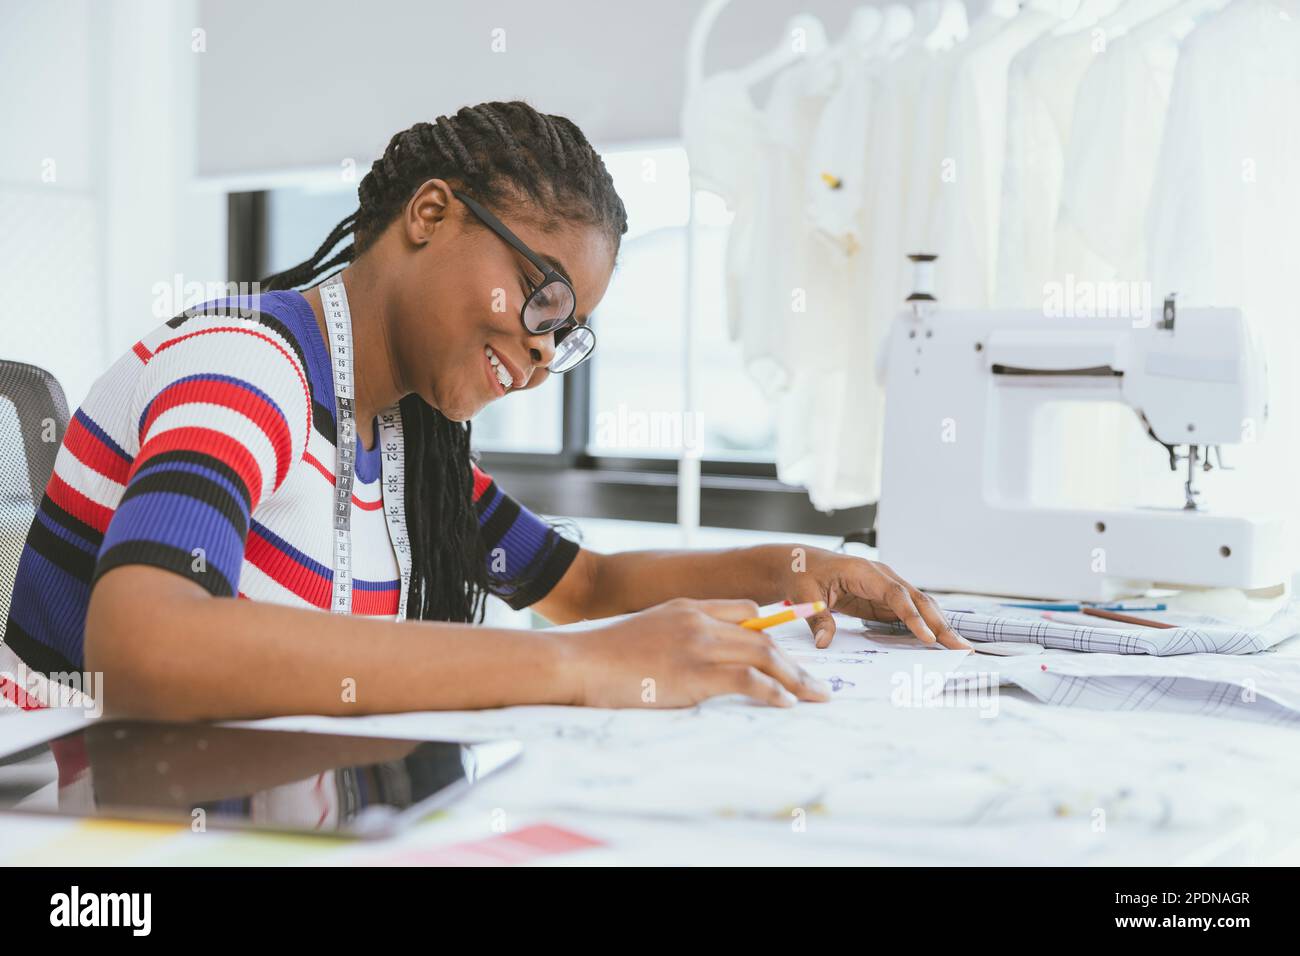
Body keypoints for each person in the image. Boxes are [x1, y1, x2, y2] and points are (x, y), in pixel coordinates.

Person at [2, 101, 967, 721]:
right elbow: (141, 648)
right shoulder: (247, 366)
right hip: (70, 811)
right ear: (430, 214)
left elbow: (582, 588)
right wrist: (576, 669)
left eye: (569, 330)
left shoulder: (400, 438)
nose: (545, 350)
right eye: (541, 296)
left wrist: (805, 566)